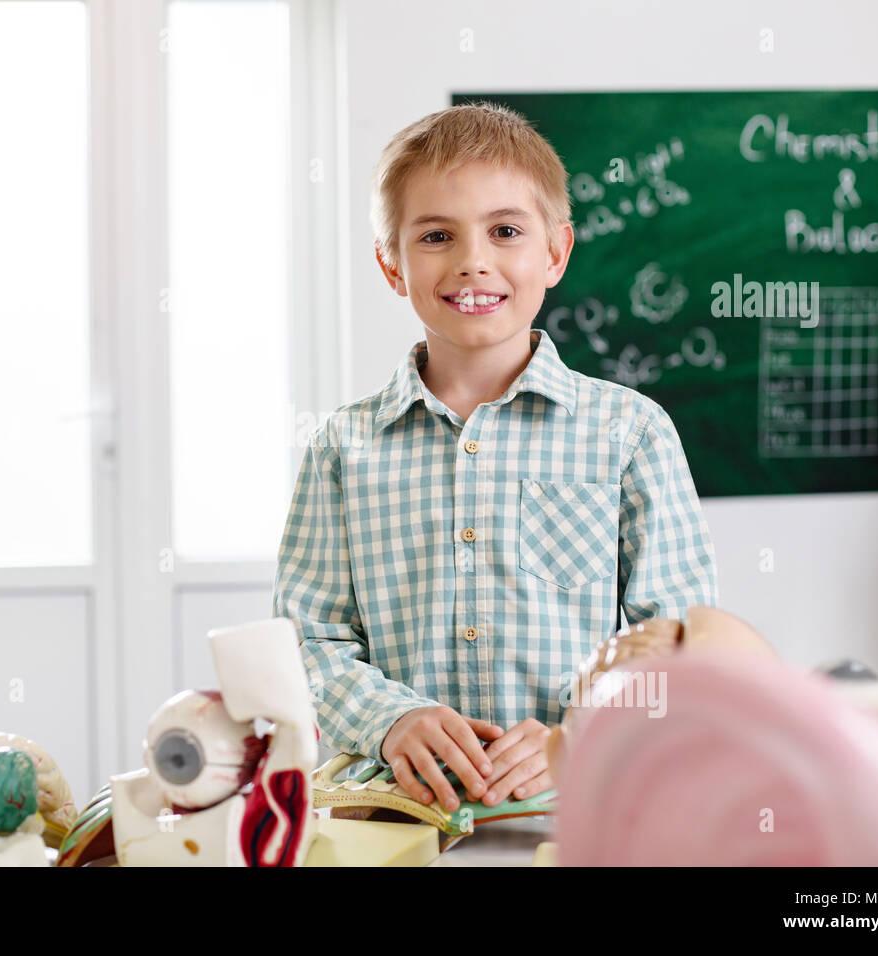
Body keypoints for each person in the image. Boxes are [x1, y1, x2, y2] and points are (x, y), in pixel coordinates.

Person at [272, 101, 717, 815]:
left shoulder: (632, 434)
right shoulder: (340, 449)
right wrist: (390, 722)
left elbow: (680, 644)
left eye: (505, 231)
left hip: (583, 811)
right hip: (393, 817)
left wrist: (579, 738)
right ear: (391, 265)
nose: (472, 260)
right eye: (437, 236)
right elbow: (308, 643)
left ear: (555, 252)